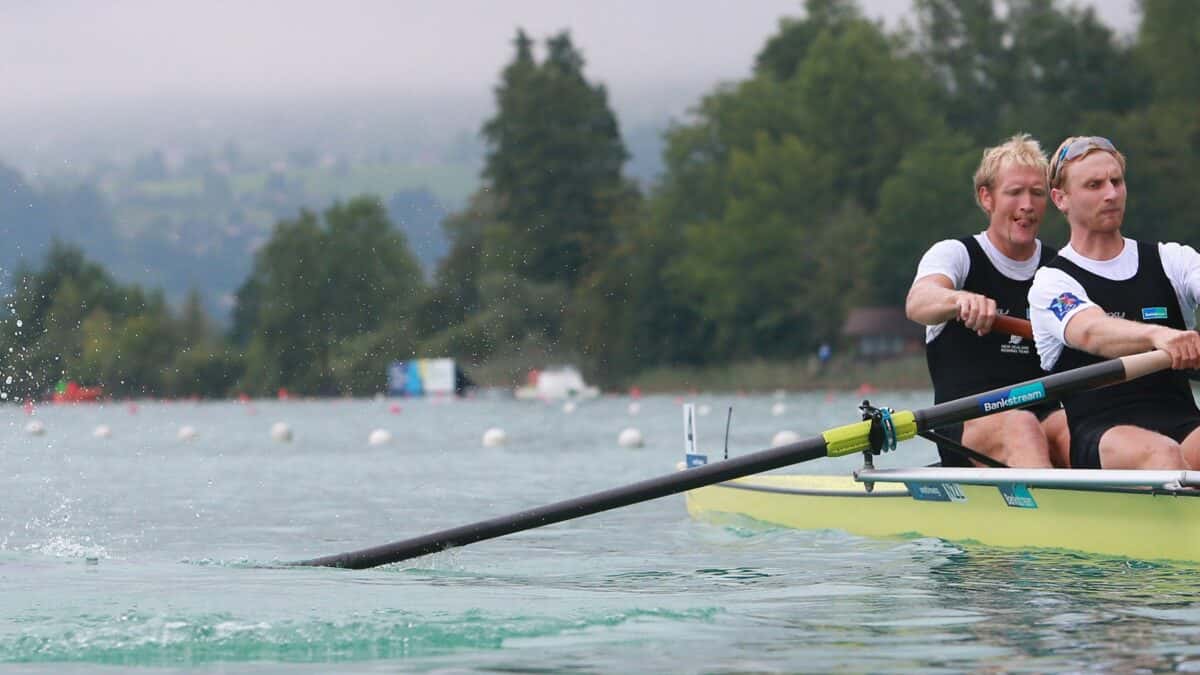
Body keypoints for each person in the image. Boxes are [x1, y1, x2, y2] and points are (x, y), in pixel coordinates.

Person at [1028, 136, 1200, 470]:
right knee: (1162, 454)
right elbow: (1091, 331)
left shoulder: (1172, 260)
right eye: (1094, 185)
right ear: (1061, 199)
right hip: (1104, 434)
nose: (1111, 194)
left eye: (1116, 182)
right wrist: (1159, 336)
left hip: (1184, 424)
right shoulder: (1051, 283)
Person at [907, 133, 1068, 468]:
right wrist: (958, 300)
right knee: (1021, 425)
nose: (1027, 204)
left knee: (1075, 427)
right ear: (987, 197)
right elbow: (919, 302)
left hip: (1045, 415)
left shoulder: (1060, 269)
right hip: (966, 423)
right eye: (1014, 192)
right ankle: (1048, 500)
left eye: (1037, 193)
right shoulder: (956, 255)